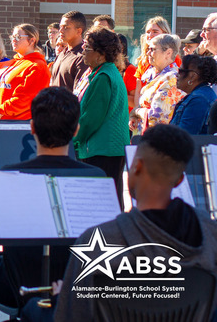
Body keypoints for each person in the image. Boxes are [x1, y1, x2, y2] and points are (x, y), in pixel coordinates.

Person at [0, 87, 106, 322]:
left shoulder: (8, 176)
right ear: (76, 130)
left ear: (31, 128)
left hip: (16, 285)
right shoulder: (97, 177)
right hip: (73, 286)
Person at [55, 124, 217, 322]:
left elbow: (71, 316)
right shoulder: (211, 236)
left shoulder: (95, 244)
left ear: (137, 166)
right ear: (179, 180)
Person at [73, 26, 130, 208]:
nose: (82, 50)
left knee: (103, 204)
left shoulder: (104, 76)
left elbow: (91, 119)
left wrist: (73, 141)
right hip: (106, 149)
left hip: (102, 151)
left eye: (87, 47)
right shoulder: (100, 72)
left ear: (101, 54)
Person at [0, 24, 50, 120]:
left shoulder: (38, 67)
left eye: (18, 37)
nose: (13, 40)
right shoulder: (2, 65)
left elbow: (24, 99)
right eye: (12, 37)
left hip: (17, 127)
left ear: (32, 40)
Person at [131, 34, 185, 134]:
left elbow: (157, 117)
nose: (148, 53)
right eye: (148, 49)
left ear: (168, 53)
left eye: (152, 49)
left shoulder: (172, 78)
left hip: (160, 141)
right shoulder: (157, 75)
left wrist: (136, 112)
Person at [133, 16, 179, 108]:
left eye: (155, 32)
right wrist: (136, 111)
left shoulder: (173, 59)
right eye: (148, 32)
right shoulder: (143, 60)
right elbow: (138, 91)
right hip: (142, 110)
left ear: (165, 33)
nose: (150, 35)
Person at [170, 54, 217, 134]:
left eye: (180, 71)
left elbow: (184, 136)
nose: (177, 75)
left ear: (193, 76)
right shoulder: (201, 95)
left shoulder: (199, 100)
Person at [50, 10, 87, 91]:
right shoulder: (62, 53)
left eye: (66, 27)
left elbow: (79, 94)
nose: (61, 31)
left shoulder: (83, 58)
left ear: (79, 31)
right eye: (60, 27)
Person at [118, 34, 138, 110]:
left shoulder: (130, 70)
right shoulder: (108, 68)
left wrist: (113, 95)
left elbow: (135, 101)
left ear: (122, 48)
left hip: (125, 118)